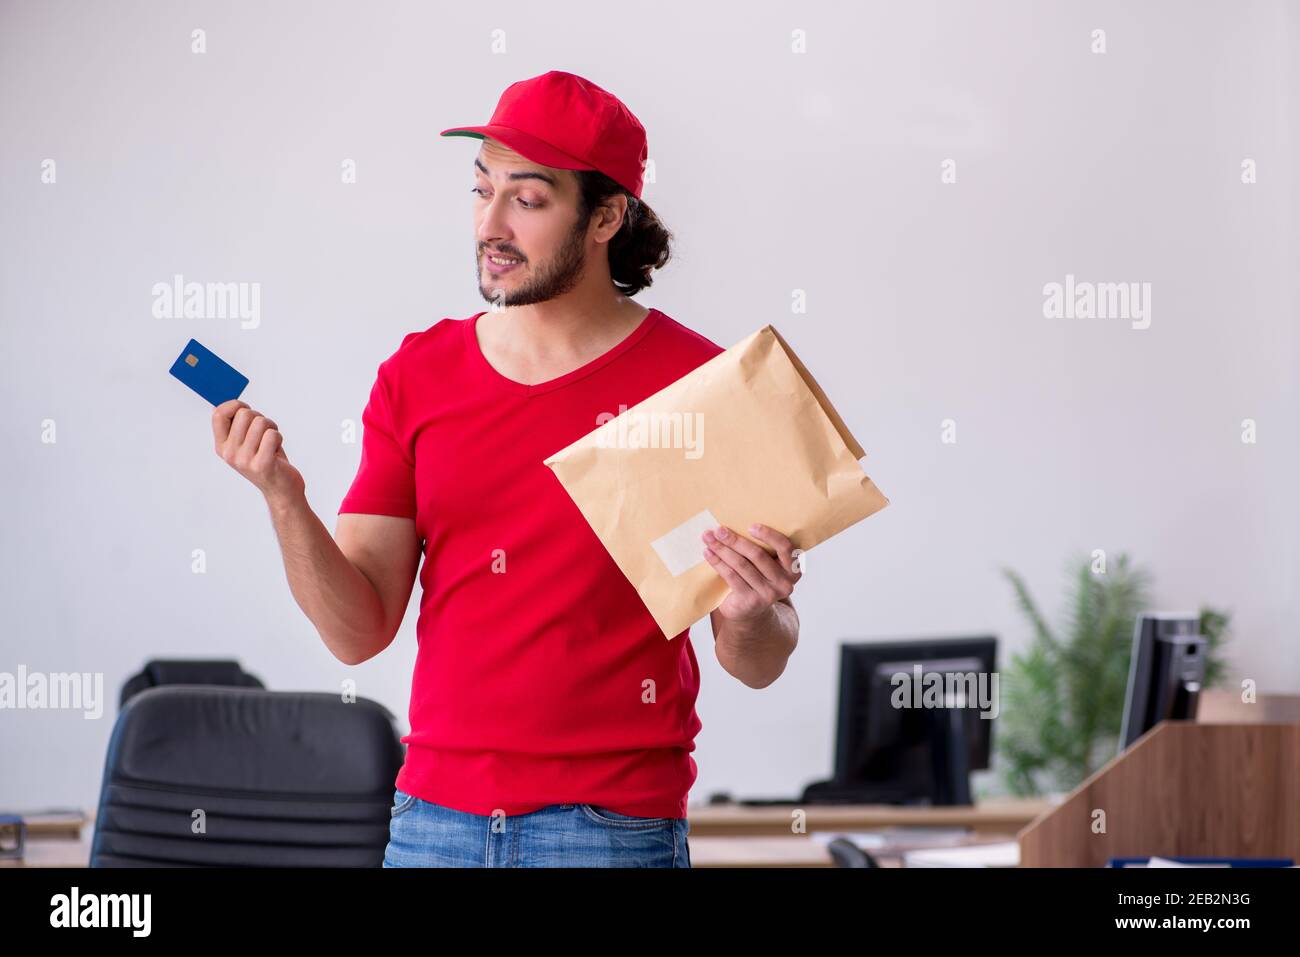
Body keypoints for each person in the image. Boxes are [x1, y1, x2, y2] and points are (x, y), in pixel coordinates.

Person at [211, 70, 802, 867]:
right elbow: (358, 632)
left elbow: (755, 660)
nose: (490, 223)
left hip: (609, 832)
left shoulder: (698, 385)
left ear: (605, 217)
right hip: (431, 826)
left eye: (526, 200)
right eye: (480, 189)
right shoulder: (416, 375)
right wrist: (283, 498)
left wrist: (753, 609)